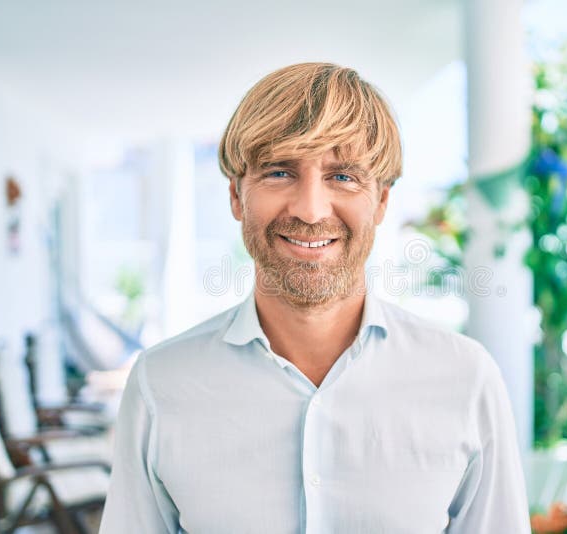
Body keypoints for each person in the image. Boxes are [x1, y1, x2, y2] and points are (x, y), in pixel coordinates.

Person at [99, 62, 530, 533]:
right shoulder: (160, 385)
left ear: (382, 201)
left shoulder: (466, 380)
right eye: (280, 171)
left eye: (343, 176)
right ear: (236, 197)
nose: (310, 209)